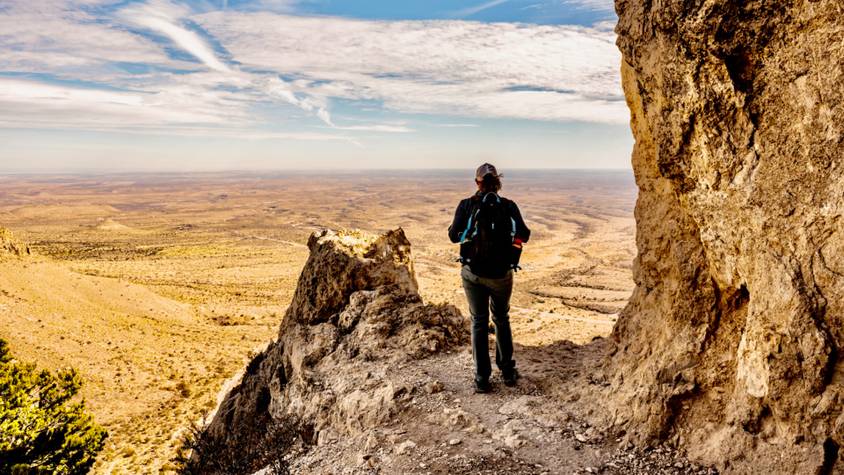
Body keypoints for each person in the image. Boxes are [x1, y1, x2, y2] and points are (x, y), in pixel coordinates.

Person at [448, 163, 530, 393]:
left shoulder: (466, 205)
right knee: (501, 318)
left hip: (473, 274)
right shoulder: (509, 206)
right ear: (498, 183)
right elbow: (524, 234)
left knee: (479, 321)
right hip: (501, 275)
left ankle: (482, 378)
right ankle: (507, 371)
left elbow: (454, 236)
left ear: (477, 183)